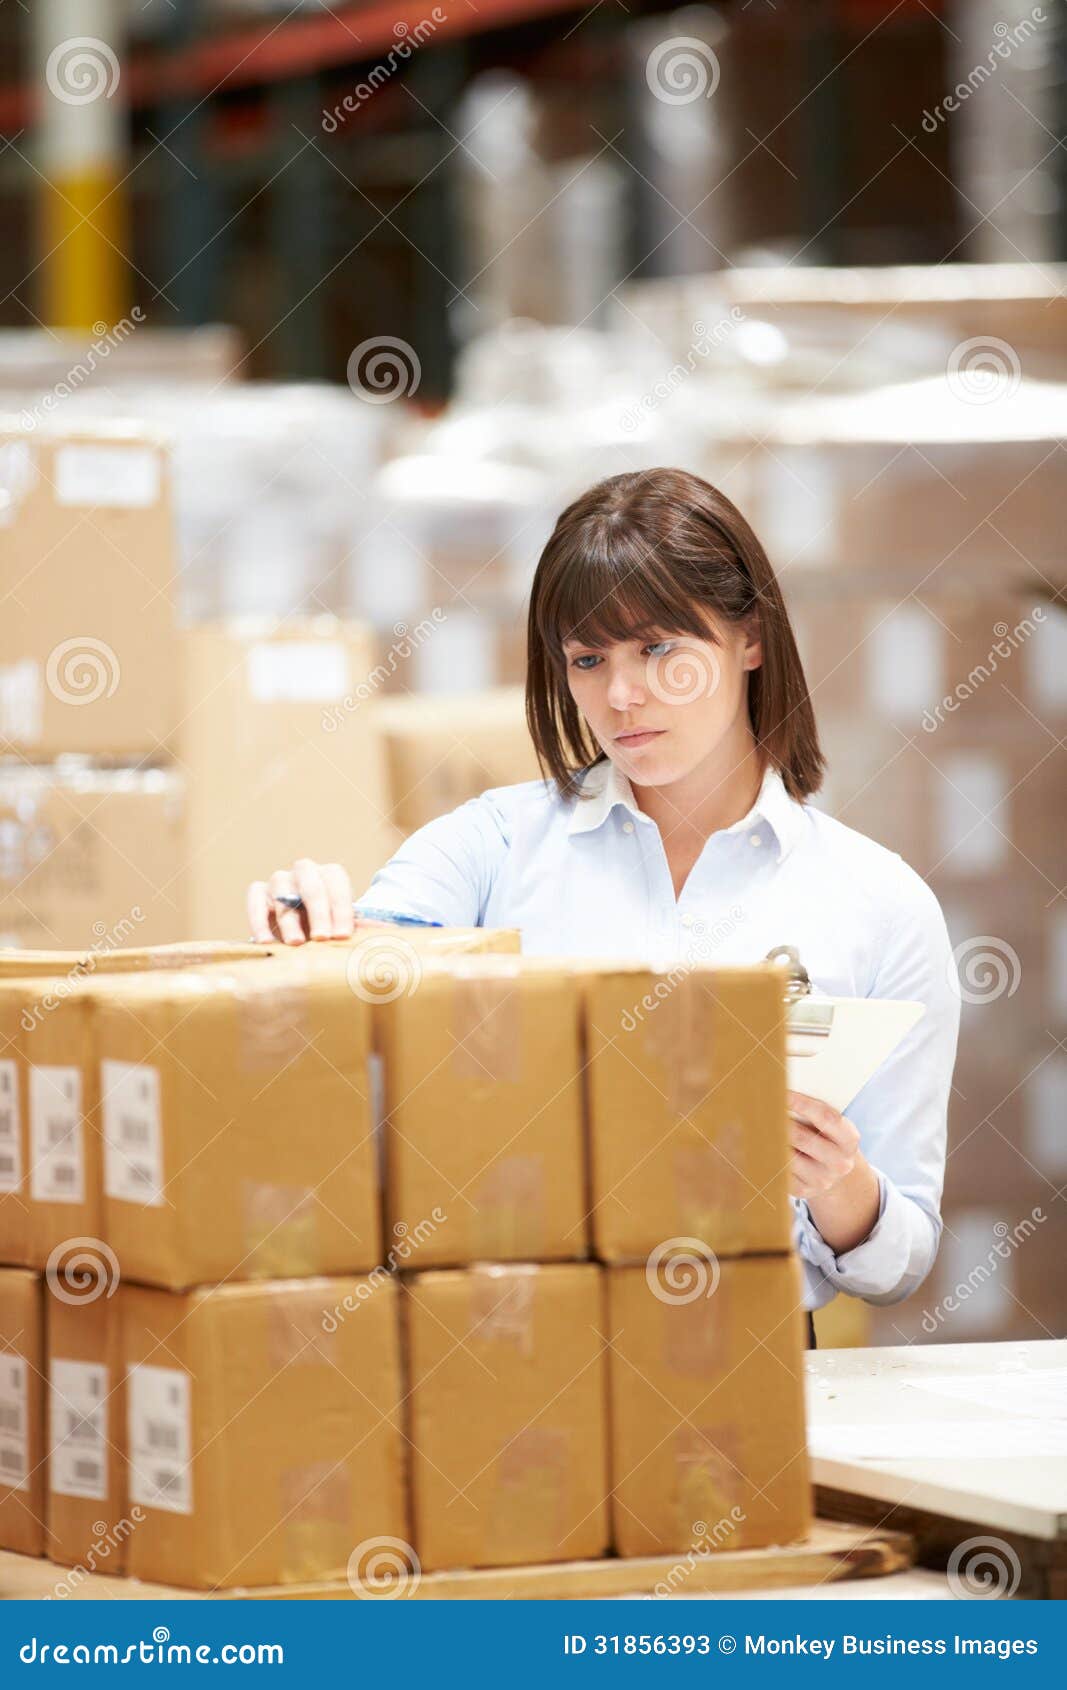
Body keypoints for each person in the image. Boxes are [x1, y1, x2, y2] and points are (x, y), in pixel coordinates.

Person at [248, 467, 961, 1345]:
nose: (621, 696)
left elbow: (899, 1266)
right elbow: (360, 990)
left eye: (657, 650)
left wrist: (837, 1181)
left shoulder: (878, 904)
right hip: (518, 1347)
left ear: (749, 639)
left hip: (748, 1355)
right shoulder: (489, 847)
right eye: (588, 660)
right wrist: (304, 928)